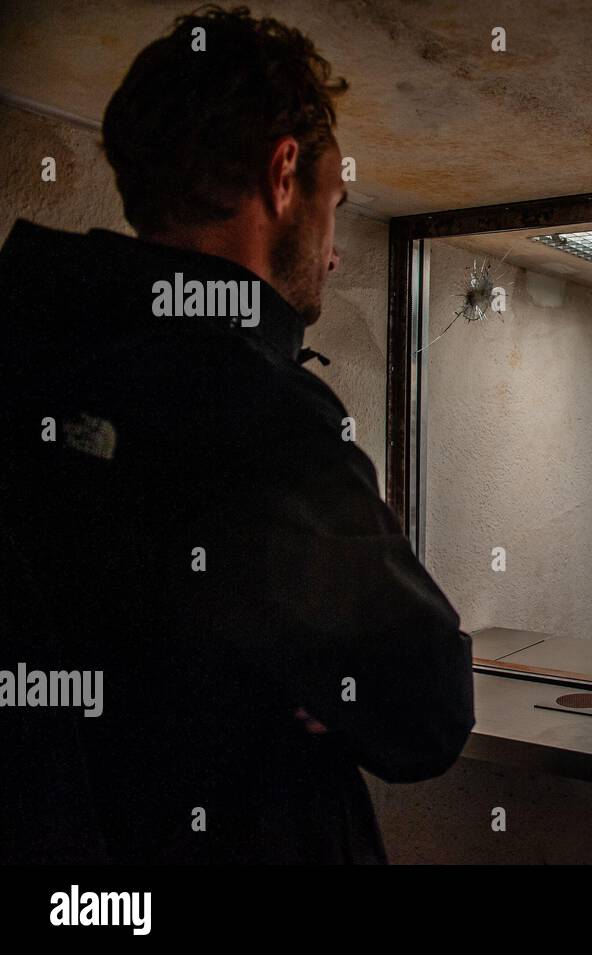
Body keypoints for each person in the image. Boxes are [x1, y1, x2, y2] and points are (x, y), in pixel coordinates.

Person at [0, 5, 474, 864]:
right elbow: (425, 705)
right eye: (335, 205)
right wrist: (313, 684)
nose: (334, 252)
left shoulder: (28, 353)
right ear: (282, 174)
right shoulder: (257, 415)